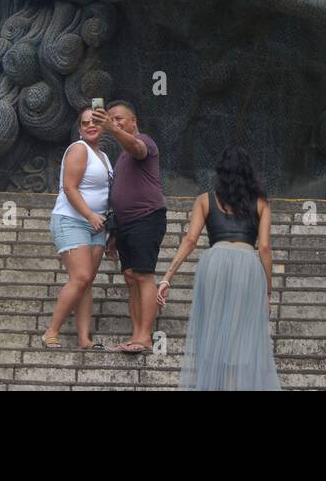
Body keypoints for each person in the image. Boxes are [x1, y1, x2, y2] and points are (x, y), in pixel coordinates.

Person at [157, 146, 280, 391]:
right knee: (239, 339)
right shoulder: (262, 204)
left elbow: (190, 240)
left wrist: (167, 277)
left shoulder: (204, 200)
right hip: (247, 265)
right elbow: (264, 248)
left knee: (212, 333)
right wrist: (268, 291)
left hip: (214, 263)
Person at [93, 100, 166, 354]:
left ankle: (145, 337)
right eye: (110, 118)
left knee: (144, 276)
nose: (114, 121)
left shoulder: (144, 140)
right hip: (125, 224)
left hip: (147, 217)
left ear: (133, 121)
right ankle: (136, 334)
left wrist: (112, 129)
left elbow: (137, 148)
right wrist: (114, 231)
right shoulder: (121, 155)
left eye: (119, 118)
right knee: (130, 277)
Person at [43, 107, 114, 349]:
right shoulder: (78, 149)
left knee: (86, 282)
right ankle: (51, 331)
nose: (91, 126)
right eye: (85, 124)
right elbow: (70, 187)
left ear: (103, 125)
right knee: (81, 276)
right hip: (72, 219)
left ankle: (84, 338)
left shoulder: (104, 156)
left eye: (95, 122)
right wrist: (90, 215)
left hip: (98, 224)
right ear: (80, 129)